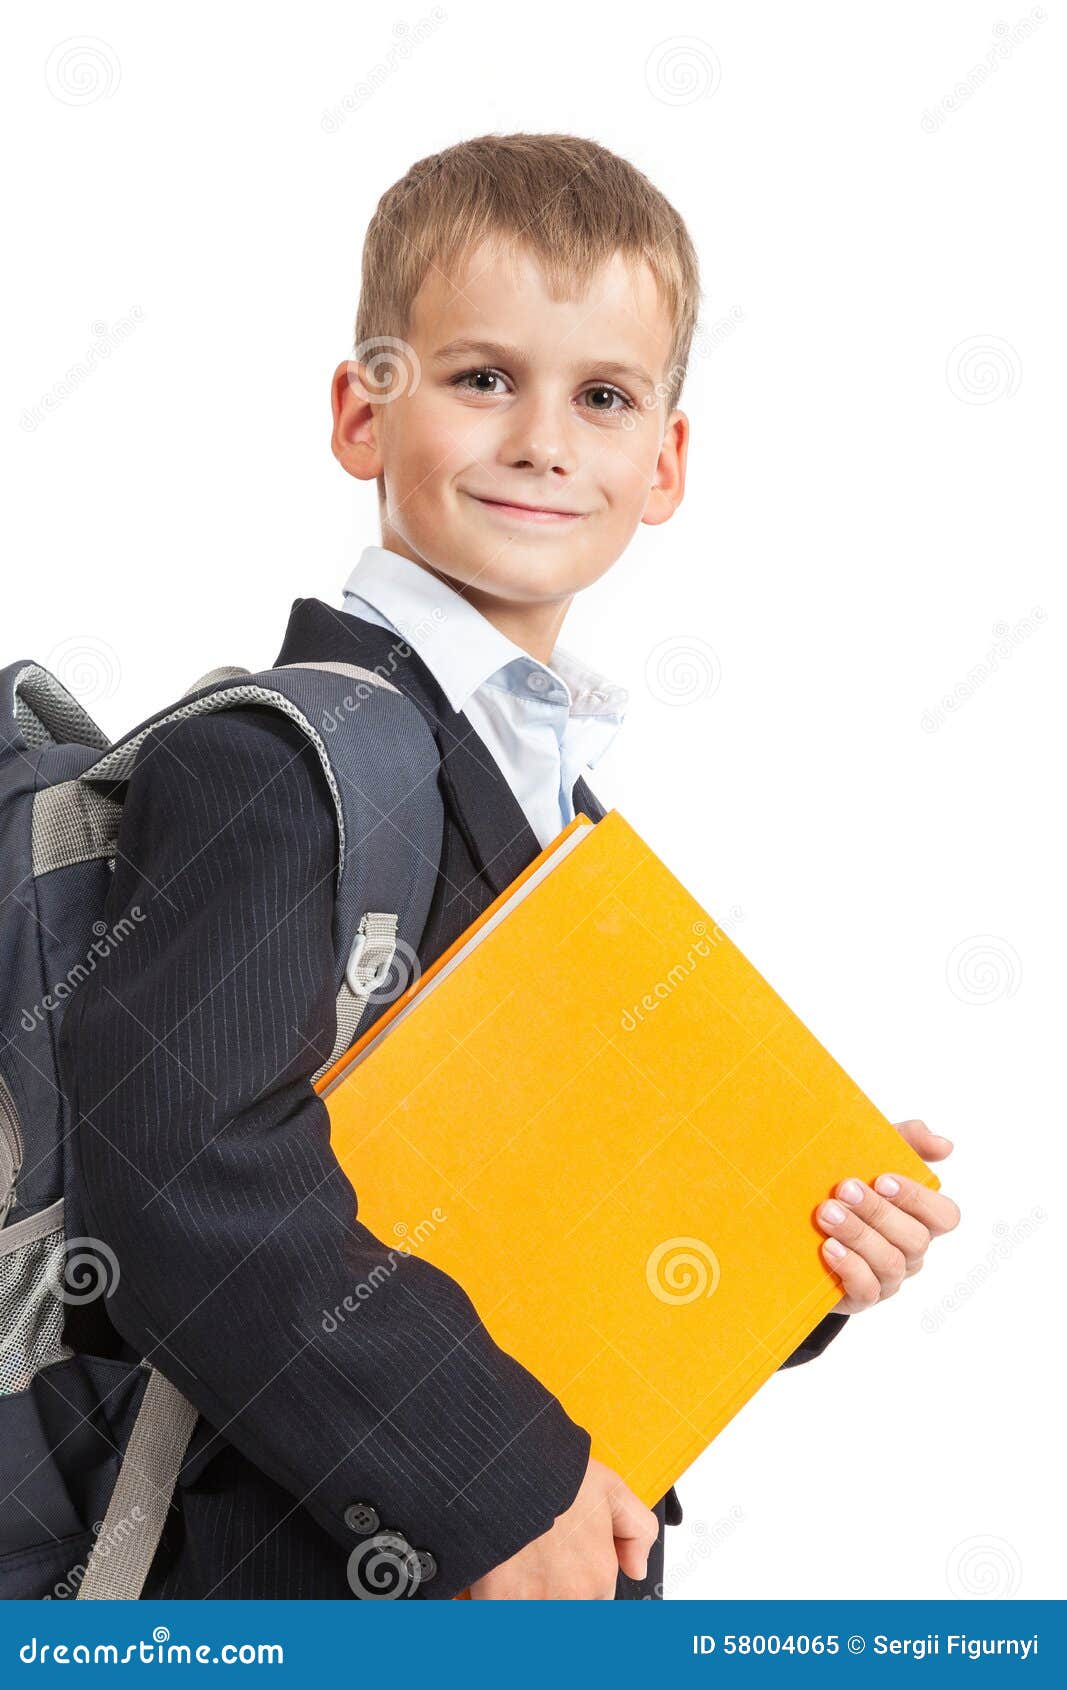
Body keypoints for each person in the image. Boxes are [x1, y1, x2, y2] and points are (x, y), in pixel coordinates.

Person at [66, 131, 960, 1602]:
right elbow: (180, 1167)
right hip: (299, 1579)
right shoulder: (289, 763)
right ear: (361, 414)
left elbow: (545, 1187)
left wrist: (794, 1233)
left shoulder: (546, 790)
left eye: (602, 396)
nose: (545, 439)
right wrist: (494, 1475)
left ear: (663, 461)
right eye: (485, 378)